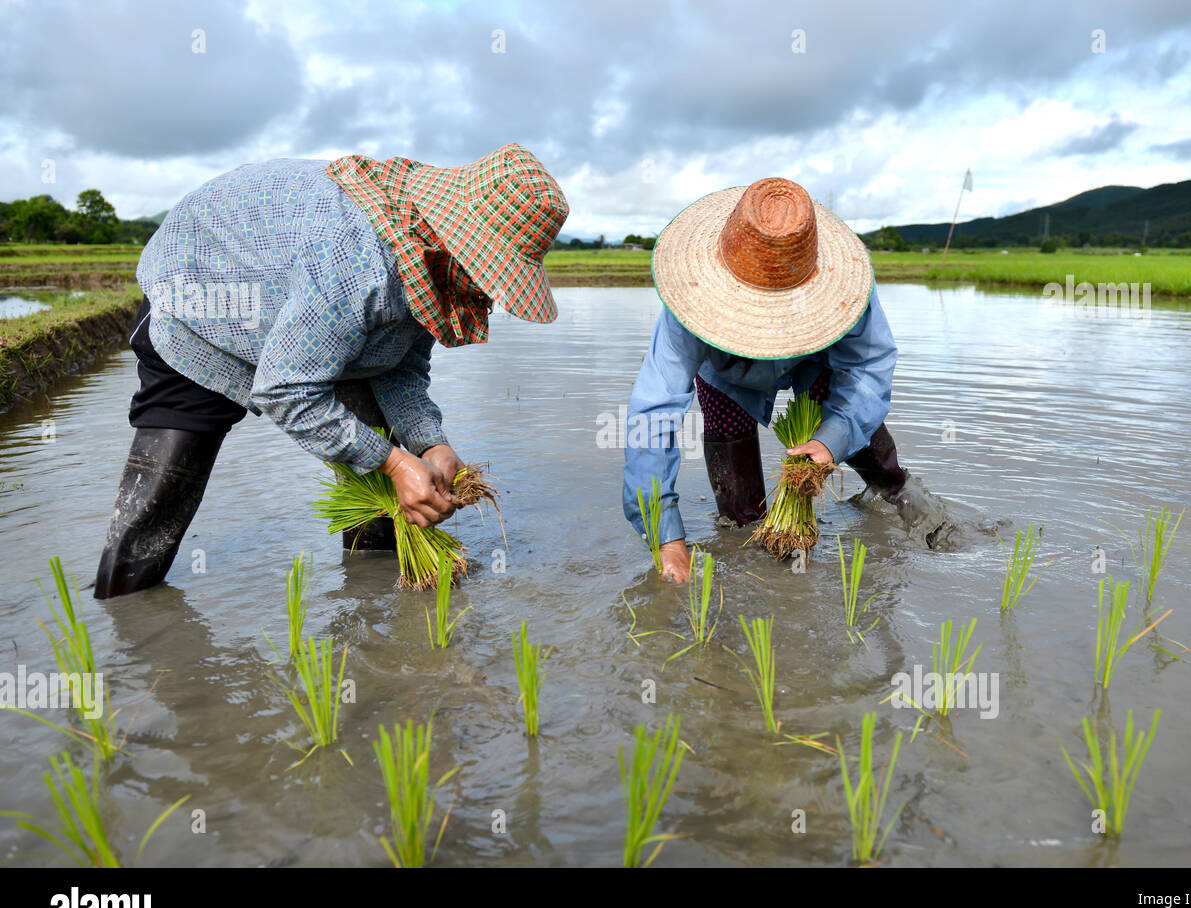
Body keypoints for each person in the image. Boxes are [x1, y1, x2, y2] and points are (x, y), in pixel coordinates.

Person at [94, 144, 568, 599]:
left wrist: (431, 445)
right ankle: (124, 613)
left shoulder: (427, 259)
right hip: (202, 291)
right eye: (486, 267)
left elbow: (399, 369)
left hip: (309, 314)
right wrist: (397, 461)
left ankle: (369, 601)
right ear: (459, 239)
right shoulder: (357, 261)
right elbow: (285, 389)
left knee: (381, 481)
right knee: (163, 492)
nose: (485, 286)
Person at [621, 176, 943, 583]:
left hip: (815, 361)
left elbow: (867, 367)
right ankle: (760, 560)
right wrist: (667, 540)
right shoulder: (689, 300)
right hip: (727, 374)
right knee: (741, 521)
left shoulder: (848, 285)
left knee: (856, 433)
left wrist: (833, 437)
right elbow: (653, 412)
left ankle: (900, 494)